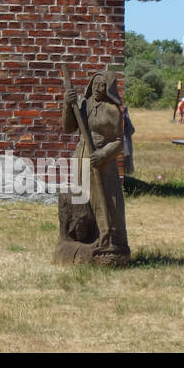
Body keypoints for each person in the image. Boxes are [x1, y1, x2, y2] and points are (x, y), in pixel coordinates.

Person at [55, 68, 130, 265]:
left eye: (102, 85)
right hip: (81, 156)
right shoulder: (84, 105)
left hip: (102, 162)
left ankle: (109, 240)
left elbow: (118, 141)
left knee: (104, 198)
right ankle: (86, 237)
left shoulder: (112, 111)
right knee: (84, 197)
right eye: (95, 84)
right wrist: (67, 104)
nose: (97, 88)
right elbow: (68, 127)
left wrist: (103, 154)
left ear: (109, 88)